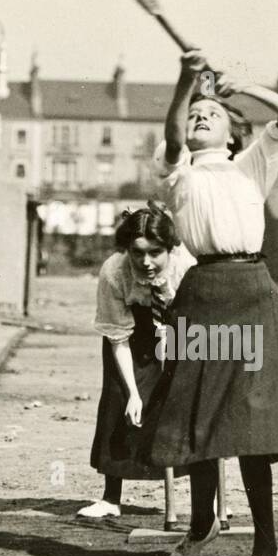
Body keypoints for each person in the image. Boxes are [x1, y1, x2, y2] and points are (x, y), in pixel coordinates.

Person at [139, 50, 278, 556]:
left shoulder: (252, 166)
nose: (199, 116)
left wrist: (250, 84)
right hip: (203, 294)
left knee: (251, 423)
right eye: (196, 113)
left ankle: (267, 550)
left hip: (251, 292)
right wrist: (185, 81)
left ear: (233, 134)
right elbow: (172, 129)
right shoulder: (178, 173)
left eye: (211, 114)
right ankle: (200, 528)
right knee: (198, 420)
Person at [76, 202, 193, 525]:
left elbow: (192, 318)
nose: (146, 262)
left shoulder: (185, 266)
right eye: (137, 252)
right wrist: (133, 393)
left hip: (179, 329)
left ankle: (203, 499)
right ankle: (111, 498)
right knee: (119, 402)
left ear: (169, 248)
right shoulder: (114, 272)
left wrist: (176, 343)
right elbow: (118, 338)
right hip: (130, 333)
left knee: (181, 407)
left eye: (155, 252)